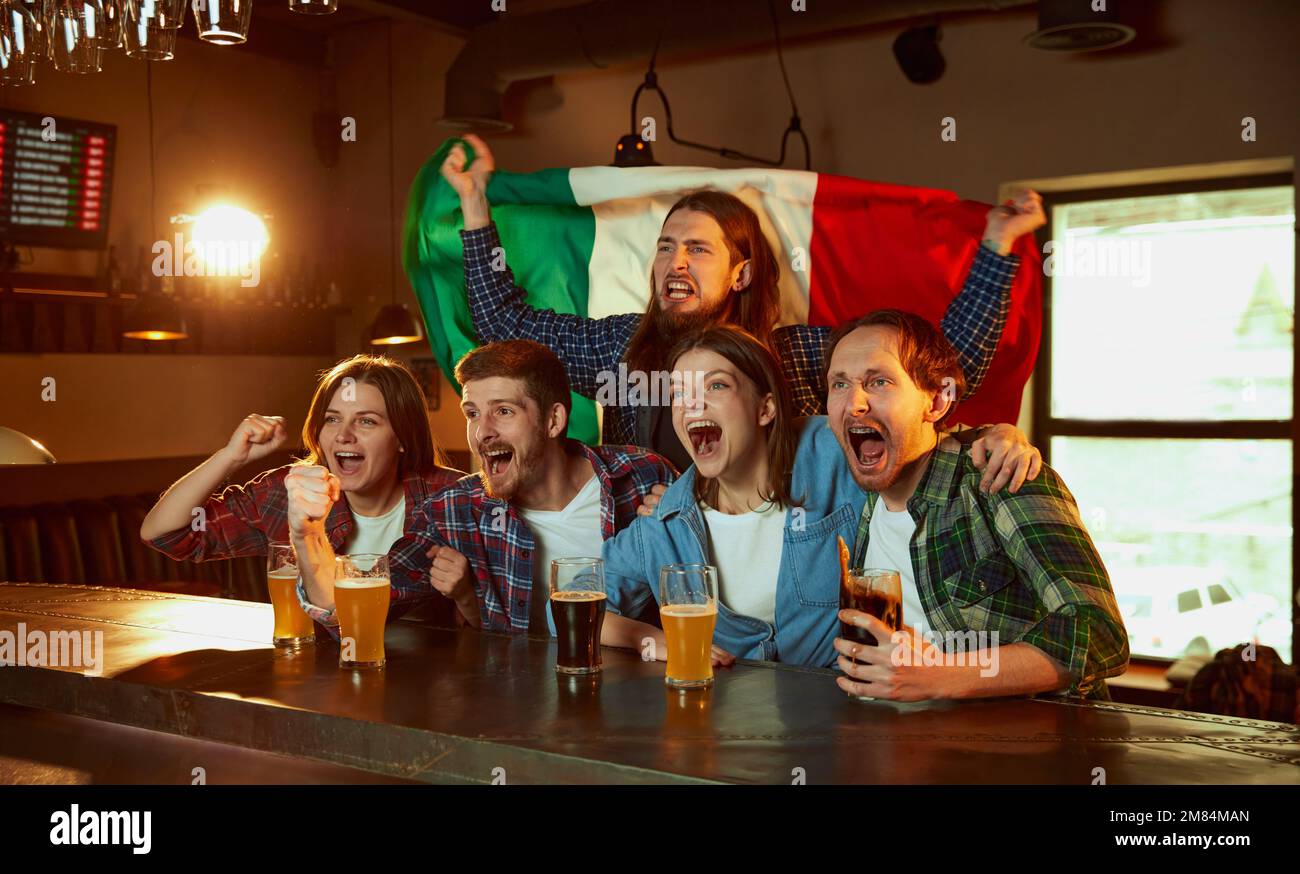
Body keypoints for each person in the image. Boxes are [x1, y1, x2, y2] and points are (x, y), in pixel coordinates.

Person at [439, 134, 1045, 471]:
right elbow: (504, 326)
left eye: (698, 250)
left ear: (740, 273)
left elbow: (944, 365)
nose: (675, 263)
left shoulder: (799, 355)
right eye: (666, 247)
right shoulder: (618, 347)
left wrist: (995, 248)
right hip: (648, 580)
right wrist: (474, 204)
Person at [598, 325, 1042, 667]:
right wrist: (653, 641)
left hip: (849, 715)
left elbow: (912, 440)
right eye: (679, 394)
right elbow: (573, 599)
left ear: (766, 407)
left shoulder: (827, 450)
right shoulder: (667, 520)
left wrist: (992, 435)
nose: (692, 407)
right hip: (730, 731)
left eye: (716, 386)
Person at [820, 310, 1129, 699]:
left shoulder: (1000, 477)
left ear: (935, 402)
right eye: (840, 384)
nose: (855, 403)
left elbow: (1100, 634)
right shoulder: (861, 486)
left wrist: (939, 675)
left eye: (879, 381)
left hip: (1022, 745)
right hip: (897, 742)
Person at [357, 339, 677, 632]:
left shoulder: (643, 476)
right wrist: (307, 534)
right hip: (519, 693)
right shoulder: (455, 509)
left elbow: (703, 583)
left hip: (637, 687)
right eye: (472, 414)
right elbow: (367, 602)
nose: (482, 432)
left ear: (553, 421)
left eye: (504, 411)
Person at [141, 354, 464, 623]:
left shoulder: (449, 497)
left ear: (403, 438)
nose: (344, 435)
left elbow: (351, 618)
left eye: (366, 421)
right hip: (313, 687)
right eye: (332, 419)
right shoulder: (291, 491)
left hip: (425, 688)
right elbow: (164, 533)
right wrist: (229, 457)